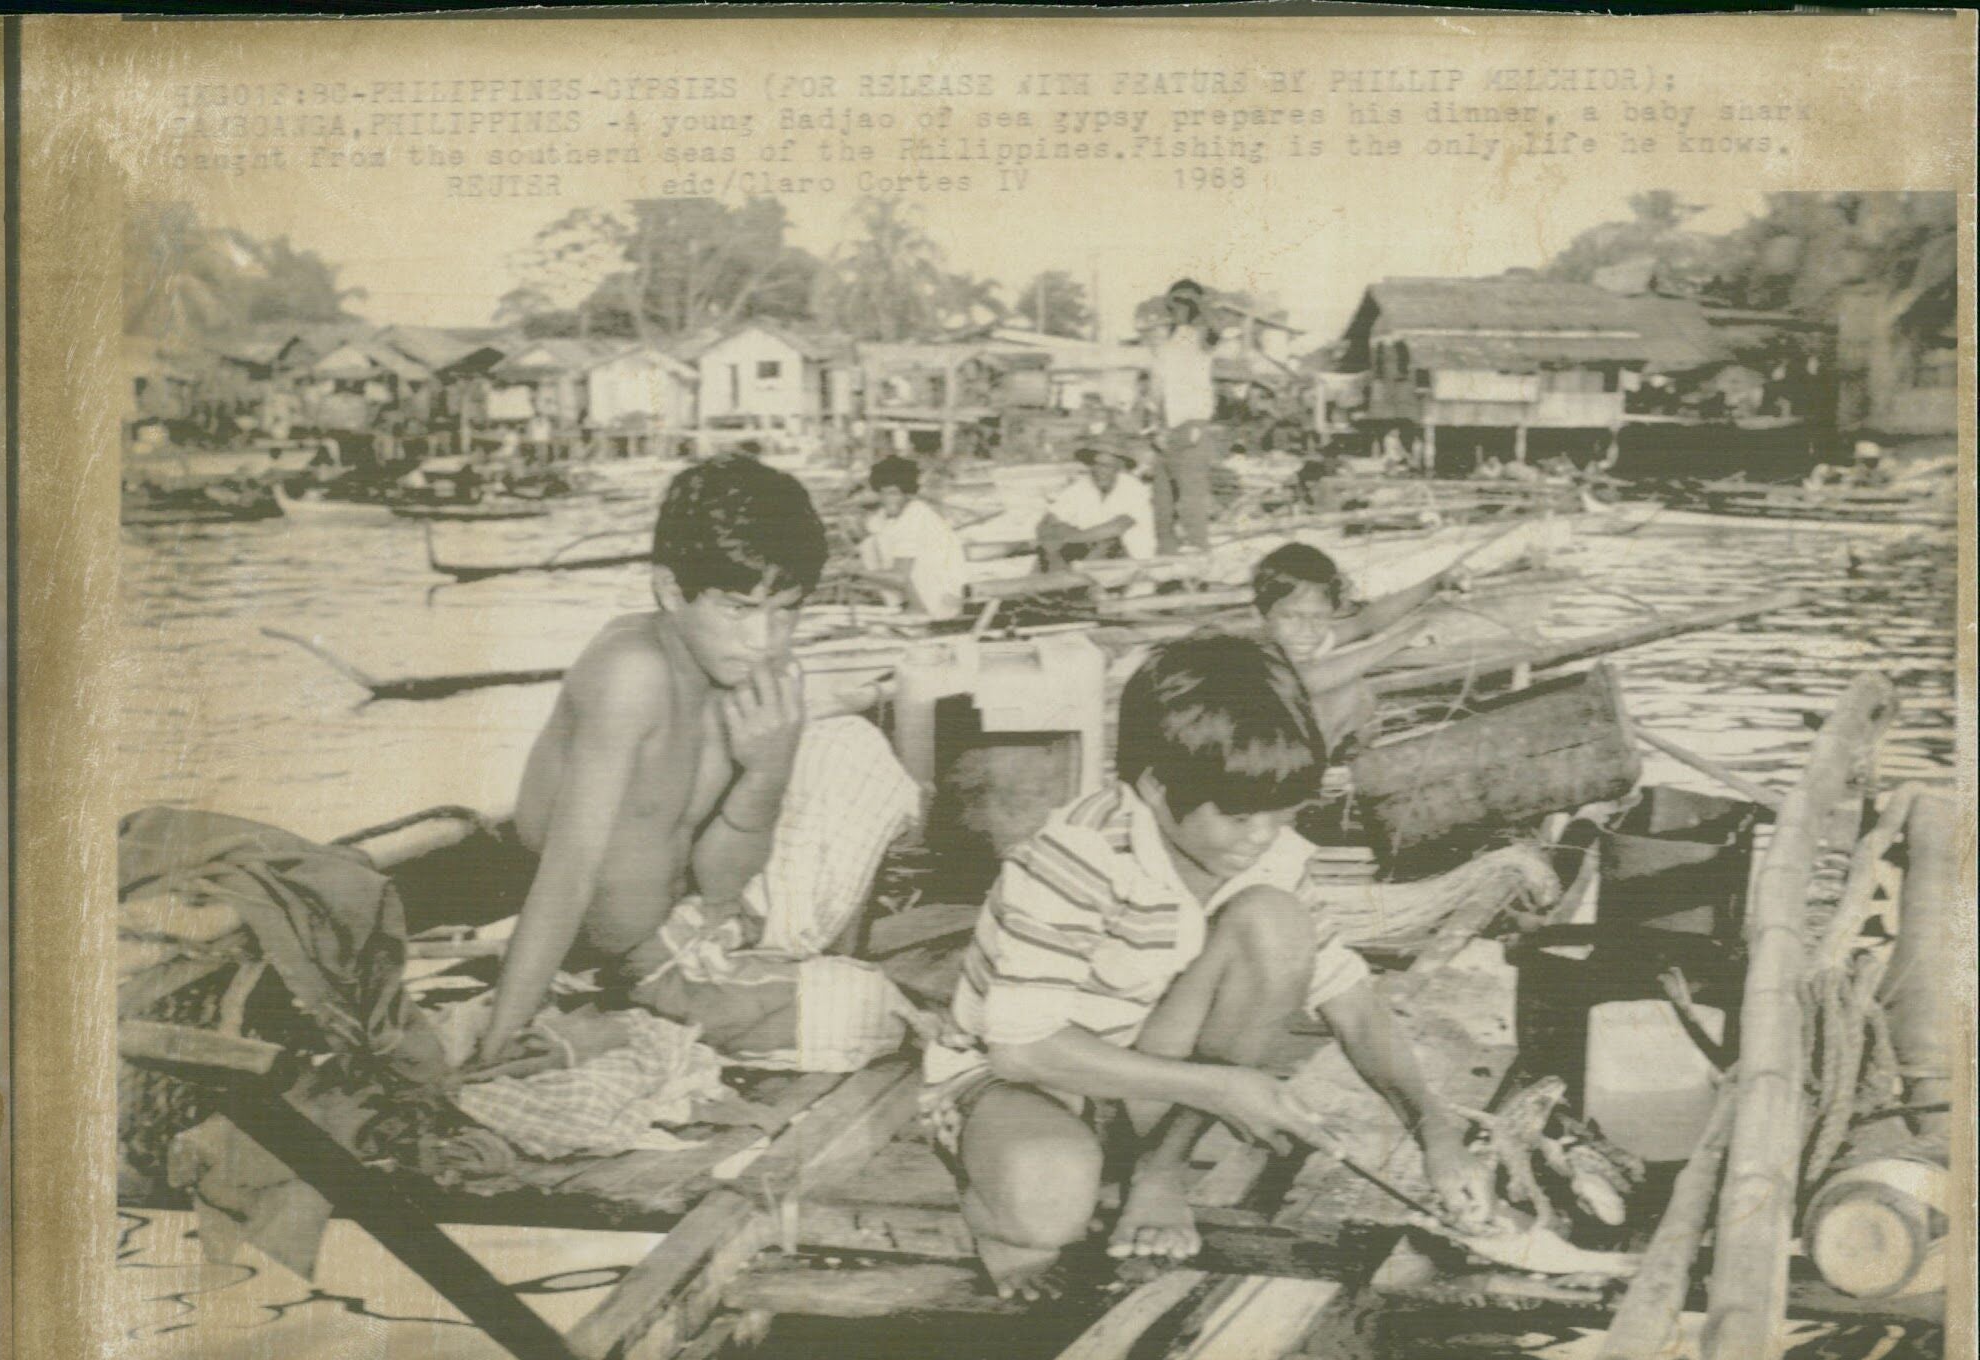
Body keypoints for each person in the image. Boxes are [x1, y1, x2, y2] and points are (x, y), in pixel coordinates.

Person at [920, 632, 1493, 1298]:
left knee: (1278, 923)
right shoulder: (1077, 855)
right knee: (1049, 1209)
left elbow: (1358, 1008)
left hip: (1142, 1086)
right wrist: (1220, 1087)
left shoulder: (1269, 849)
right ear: (1158, 788)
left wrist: (1436, 1131)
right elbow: (1022, 1050)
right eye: (1242, 817)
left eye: (1283, 815)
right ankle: (996, 1206)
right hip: (1018, 1084)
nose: (1263, 838)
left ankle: (1157, 1176)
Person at [474, 454, 831, 1066]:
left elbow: (720, 880)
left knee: (854, 754)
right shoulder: (631, 675)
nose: (765, 641)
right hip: (608, 960)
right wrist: (503, 1033)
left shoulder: (760, 674)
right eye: (739, 609)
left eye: (787, 610)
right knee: (861, 1014)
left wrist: (767, 772)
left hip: (687, 933)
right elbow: (568, 874)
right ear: (670, 590)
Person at [1253, 542, 1464, 755]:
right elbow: (1308, 680)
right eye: (1290, 616)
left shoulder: (1298, 638)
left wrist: (1436, 583)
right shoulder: (1253, 652)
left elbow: (1365, 624)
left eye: (1318, 617)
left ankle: (1342, 758)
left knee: (1350, 691)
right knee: (1344, 688)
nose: (1307, 630)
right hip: (1269, 768)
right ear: (1263, 613)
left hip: (1312, 756)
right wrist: (1404, 638)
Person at [840, 454, 970, 621]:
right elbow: (868, 535)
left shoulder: (915, 517)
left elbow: (900, 577)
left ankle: (917, 611)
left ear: (908, 494)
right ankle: (904, 606)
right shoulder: (887, 515)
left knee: (875, 550)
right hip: (917, 590)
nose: (888, 500)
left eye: (894, 493)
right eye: (883, 493)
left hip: (941, 599)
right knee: (869, 544)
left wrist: (856, 572)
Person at [1147, 278, 1222, 553]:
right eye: (1174, 303)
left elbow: (1215, 329)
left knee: (1191, 508)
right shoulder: (1164, 341)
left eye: (1185, 304)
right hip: (1164, 430)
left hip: (1191, 428)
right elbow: (1157, 389)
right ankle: (1167, 571)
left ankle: (1199, 570)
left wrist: (1197, 300)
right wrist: (1154, 426)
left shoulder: (1202, 337)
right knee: (1162, 508)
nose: (1178, 308)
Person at [1035, 439, 1156, 573]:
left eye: (1107, 466)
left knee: (1108, 542)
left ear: (1118, 468)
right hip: (1092, 556)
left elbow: (1116, 528)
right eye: (1096, 464)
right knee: (1048, 548)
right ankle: (1054, 585)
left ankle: (1069, 585)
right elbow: (1046, 522)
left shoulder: (1133, 488)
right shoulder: (1082, 486)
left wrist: (1065, 537)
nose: (1099, 471)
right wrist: (1056, 538)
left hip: (1132, 562)